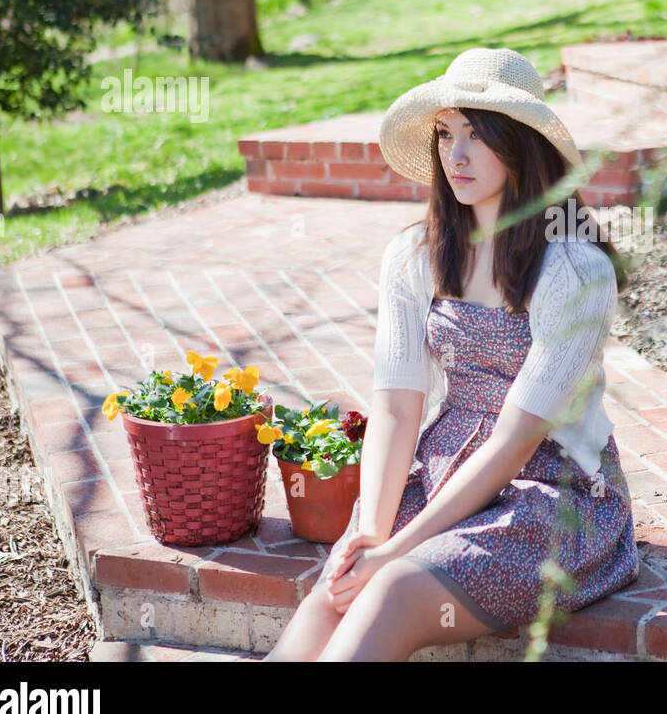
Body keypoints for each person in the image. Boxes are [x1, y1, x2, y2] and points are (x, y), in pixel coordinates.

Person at [264, 47, 641, 661]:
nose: (455, 155)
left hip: (550, 493)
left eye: (477, 134)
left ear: (521, 144)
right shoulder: (415, 255)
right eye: (445, 133)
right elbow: (395, 409)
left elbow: (515, 442)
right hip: (441, 469)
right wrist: (372, 533)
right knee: (338, 587)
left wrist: (394, 553)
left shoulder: (574, 269)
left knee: (392, 587)